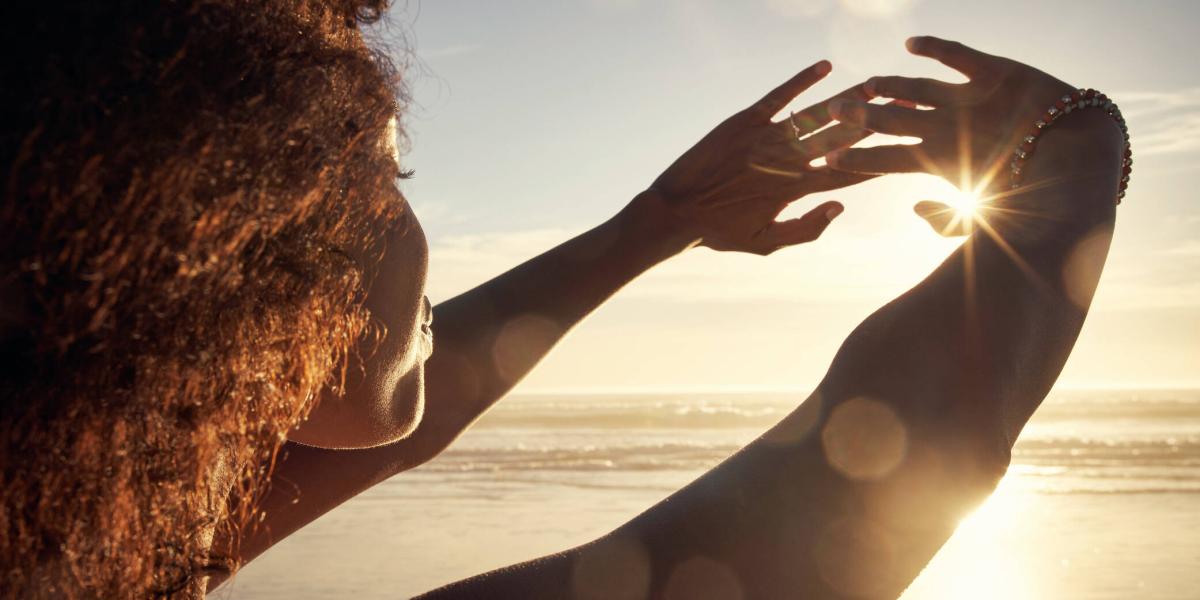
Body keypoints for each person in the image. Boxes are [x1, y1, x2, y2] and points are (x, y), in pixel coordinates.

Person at [0, 2, 1126, 598]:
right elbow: (874, 485)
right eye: (388, 176)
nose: (414, 229)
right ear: (227, 237)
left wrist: (659, 223)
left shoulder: (60, 538)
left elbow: (376, 430)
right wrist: (1073, 168)